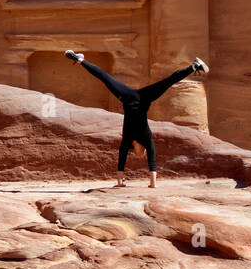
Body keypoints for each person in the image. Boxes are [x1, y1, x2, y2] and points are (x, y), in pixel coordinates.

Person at [65, 50, 208, 188]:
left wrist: (120, 182)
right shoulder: (146, 139)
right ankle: (193, 66)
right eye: (142, 154)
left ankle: (80, 60)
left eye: (140, 155)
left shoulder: (127, 141)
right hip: (144, 98)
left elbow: (122, 162)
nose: (140, 155)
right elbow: (152, 163)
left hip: (127, 97)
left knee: (105, 78)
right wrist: (152, 184)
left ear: (136, 150)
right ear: (143, 149)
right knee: (167, 82)